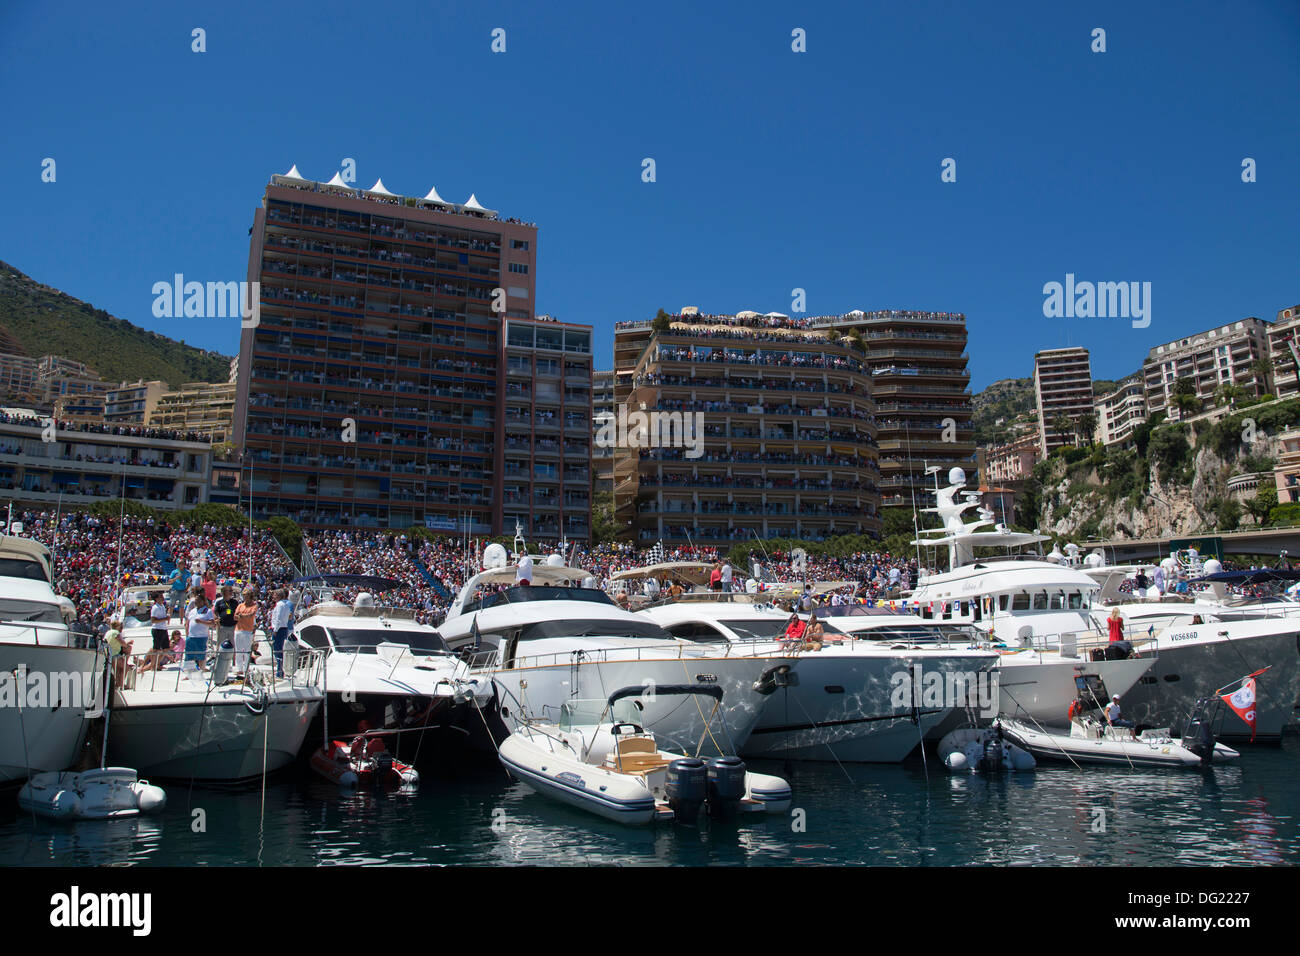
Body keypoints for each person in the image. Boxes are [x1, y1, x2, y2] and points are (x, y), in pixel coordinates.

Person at [233, 587, 258, 675]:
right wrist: (242, 616)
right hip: (238, 630)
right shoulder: (240, 605)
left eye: (246, 596)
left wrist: (241, 615)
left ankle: (246, 668)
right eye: (243, 596)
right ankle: (239, 668)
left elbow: (251, 615)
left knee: (247, 651)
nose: (244, 597)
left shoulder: (254, 606)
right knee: (238, 650)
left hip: (248, 630)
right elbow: (235, 616)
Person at [184, 594, 214, 666]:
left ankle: (201, 671)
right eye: (196, 601)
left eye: (198, 600)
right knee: (189, 656)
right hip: (191, 636)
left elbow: (212, 623)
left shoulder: (208, 611)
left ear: (203, 601)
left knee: (201, 656)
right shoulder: (192, 611)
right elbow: (188, 622)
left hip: (201, 637)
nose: (196, 602)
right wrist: (187, 633)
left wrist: (201, 621)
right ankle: (189, 674)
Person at [270, 588, 293, 676]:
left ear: (279, 596)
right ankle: (280, 671)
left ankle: (279, 672)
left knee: (277, 650)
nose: (273, 596)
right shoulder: (286, 605)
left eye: (275, 595)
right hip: (284, 628)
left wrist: (275, 630)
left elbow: (278, 619)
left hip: (279, 629)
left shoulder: (279, 605)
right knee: (280, 650)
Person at [213, 584, 238, 657]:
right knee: (220, 643)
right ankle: (218, 658)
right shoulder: (219, 602)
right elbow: (215, 612)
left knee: (233, 644)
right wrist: (216, 618)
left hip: (233, 626)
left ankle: (234, 662)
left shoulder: (234, 602)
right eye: (229, 591)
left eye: (231, 591)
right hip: (222, 626)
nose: (231, 592)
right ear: (224, 592)